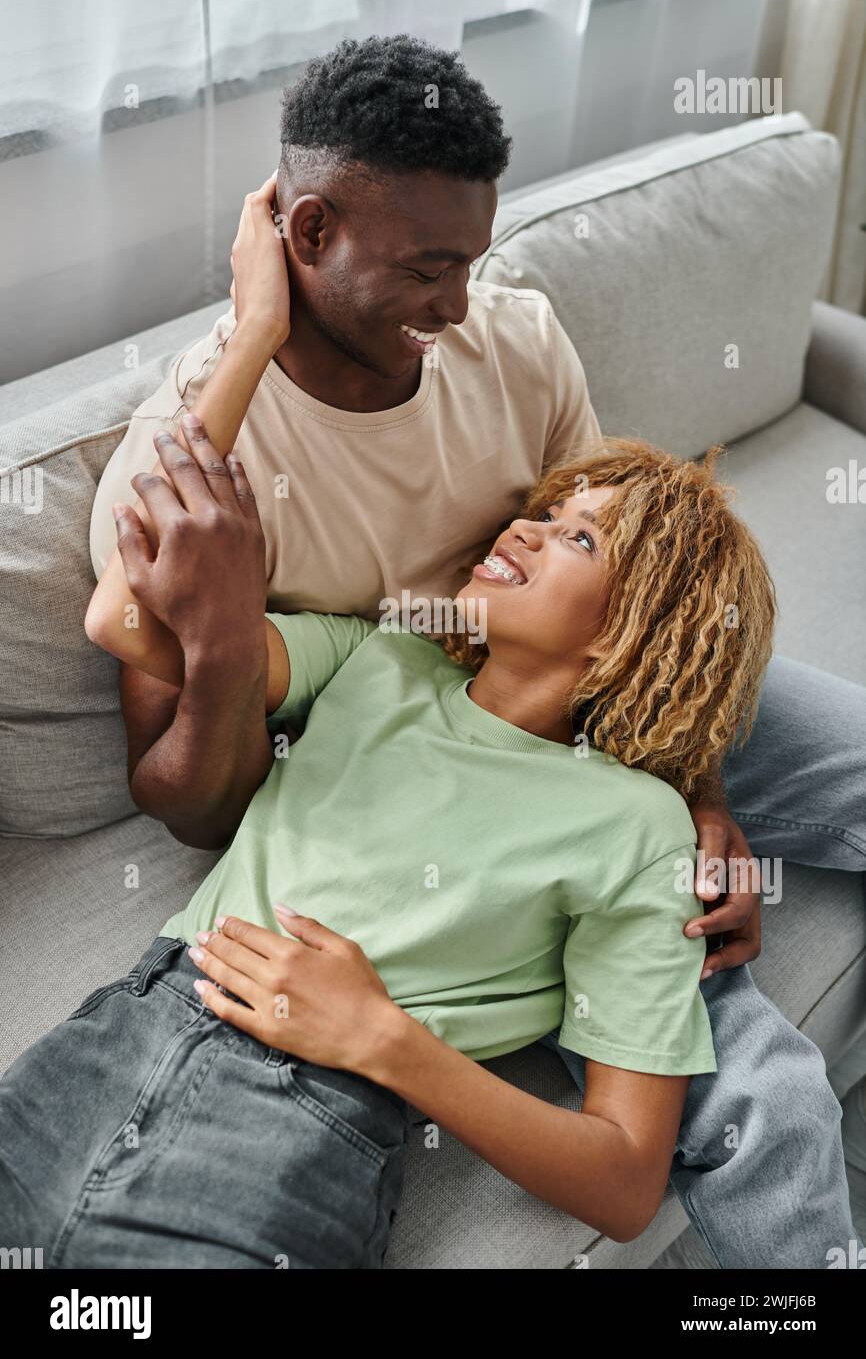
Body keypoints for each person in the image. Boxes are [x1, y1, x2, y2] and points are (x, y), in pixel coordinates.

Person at [83, 34, 865, 1268]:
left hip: (599, 669)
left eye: (471, 261)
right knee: (760, 1094)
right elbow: (177, 788)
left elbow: (632, 571)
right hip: (432, 718)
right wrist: (246, 346)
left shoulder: (511, 340)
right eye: (426, 267)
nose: (455, 306)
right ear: (306, 235)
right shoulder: (201, 448)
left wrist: (697, 788)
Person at [4, 397, 779, 1264]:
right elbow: (123, 620)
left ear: (630, 636)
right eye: (547, 512)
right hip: (118, 1037)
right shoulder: (378, 654)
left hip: (299, 1115)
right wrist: (251, 340)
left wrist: (383, 1039)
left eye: (580, 540)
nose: (525, 529)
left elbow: (627, 1179)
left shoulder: (641, 827)